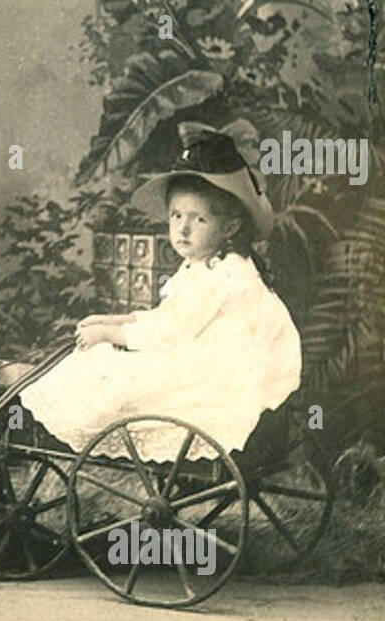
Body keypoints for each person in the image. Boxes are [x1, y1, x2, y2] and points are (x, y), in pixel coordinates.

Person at [19, 124, 302, 459]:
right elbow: (170, 316)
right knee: (105, 362)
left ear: (230, 227)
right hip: (208, 357)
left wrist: (110, 333)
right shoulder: (207, 265)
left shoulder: (224, 274)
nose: (182, 228)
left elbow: (171, 330)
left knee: (112, 373)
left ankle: (60, 432)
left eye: (198, 220)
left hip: (222, 374)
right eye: (176, 215)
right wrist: (116, 319)